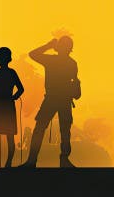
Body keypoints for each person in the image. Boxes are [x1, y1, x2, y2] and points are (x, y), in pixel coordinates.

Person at [20, 36, 80, 168]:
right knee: (64, 130)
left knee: (40, 129)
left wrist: (48, 45)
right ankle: (63, 160)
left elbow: (33, 54)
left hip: (53, 99)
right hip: (63, 100)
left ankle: (32, 161)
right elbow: (75, 84)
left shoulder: (51, 60)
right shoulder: (71, 63)